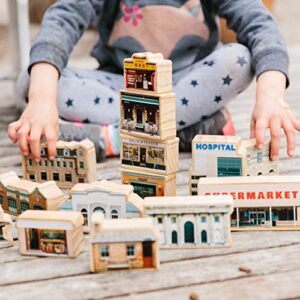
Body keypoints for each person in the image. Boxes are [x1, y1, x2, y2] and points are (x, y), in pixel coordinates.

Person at [8, 0, 300, 162]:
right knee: (32, 80)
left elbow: (259, 24)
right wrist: (43, 99)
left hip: (187, 85)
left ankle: (112, 139)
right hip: (122, 86)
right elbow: (63, 19)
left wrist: (271, 95)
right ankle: (185, 129)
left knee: (238, 59)